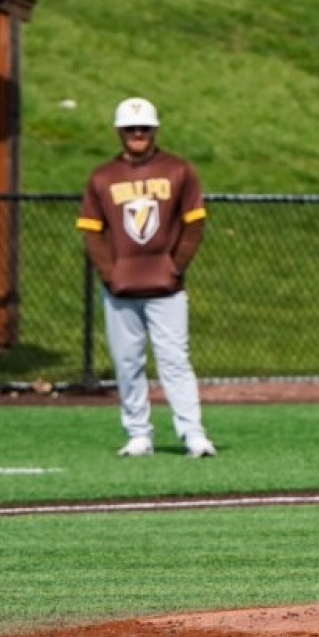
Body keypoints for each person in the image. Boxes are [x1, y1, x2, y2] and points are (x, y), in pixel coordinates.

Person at [76, 97, 217, 458]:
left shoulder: (179, 170)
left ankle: (193, 434)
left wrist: (176, 266)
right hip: (120, 289)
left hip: (166, 288)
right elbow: (92, 231)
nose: (137, 134)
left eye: (144, 128)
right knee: (127, 361)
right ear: (119, 132)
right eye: (130, 129)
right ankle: (139, 434)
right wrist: (110, 274)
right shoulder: (102, 177)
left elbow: (195, 223)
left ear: (155, 130)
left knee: (175, 360)